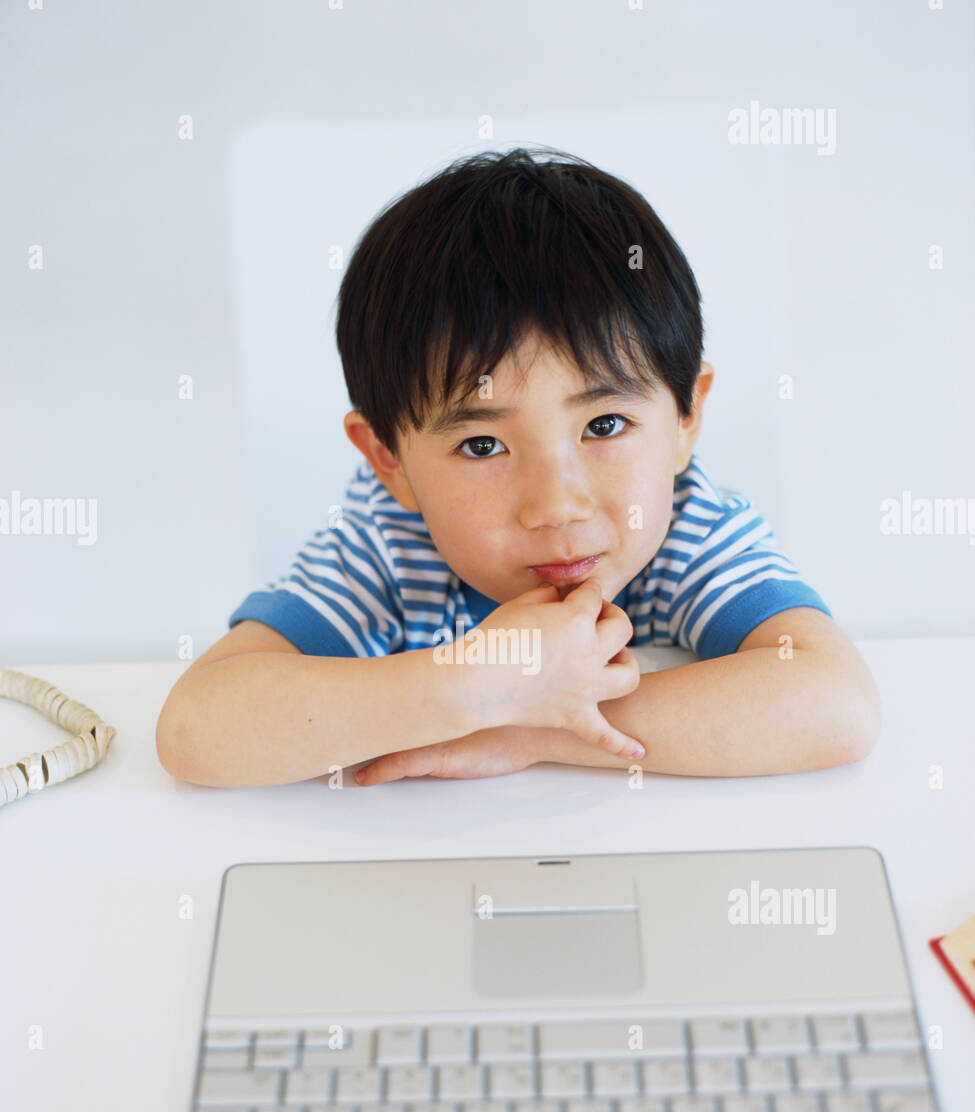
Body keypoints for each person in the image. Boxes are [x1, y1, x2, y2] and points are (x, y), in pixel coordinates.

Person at [156, 147, 880, 788]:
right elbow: (197, 731)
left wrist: (529, 730)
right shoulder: (388, 545)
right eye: (481, 446)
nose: (557, 505)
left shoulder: (686, 525)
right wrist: (476, 685)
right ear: (388, 460)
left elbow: (832, 702)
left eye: (603, 425)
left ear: (685, 419)